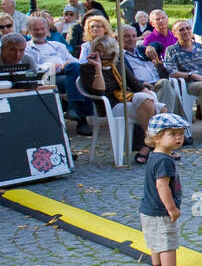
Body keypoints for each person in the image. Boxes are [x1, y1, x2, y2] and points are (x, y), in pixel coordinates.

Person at [138, 113, 195, 266]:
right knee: (167, 243)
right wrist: (171, 208)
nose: (179, 138)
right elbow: (162, 186)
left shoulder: (155, 156)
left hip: (148, 209)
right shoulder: (164, 160)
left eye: (180, 133)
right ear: (156, 138)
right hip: (161, 210)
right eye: (172, 134)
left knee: (155, 242)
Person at [81, 34, 159, 164]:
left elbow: (136, 85)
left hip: (127, 100)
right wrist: (98, 67)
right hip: (110, 106)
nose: (103, 54)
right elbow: (100, 91)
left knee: (159, 106)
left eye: (105, 51)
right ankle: (160, 147)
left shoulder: (117, 64)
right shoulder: (86, 69)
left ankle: (149, 145)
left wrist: (153, 99)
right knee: (150, 105)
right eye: (99, 51)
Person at [26, 16, 94, 135]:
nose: (40, 32)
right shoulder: (27, 48)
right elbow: (34, 68)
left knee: (79, 75)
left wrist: (65, 65)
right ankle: (80, 118)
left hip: (68, 73)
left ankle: (74, 109)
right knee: (78, 80)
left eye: (42, 28)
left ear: (47, 29)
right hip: (47, 77)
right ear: (29, 31)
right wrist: (55, 66)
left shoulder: (57, 45)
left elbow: (75, 61)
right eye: (35, 29)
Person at [119, 26, 184, 117]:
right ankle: (167, 122)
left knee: (170, 87)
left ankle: (178, 124)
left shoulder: (140, 50)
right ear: (118, 38)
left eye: (134, 36)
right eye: (127, 36)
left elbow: (159, 45)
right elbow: (123, 77)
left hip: (158, 84)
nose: (131, 39)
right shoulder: (119, 57)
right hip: (142, 88)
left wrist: (150, 46)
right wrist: (140, 83)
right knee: (166, 84)